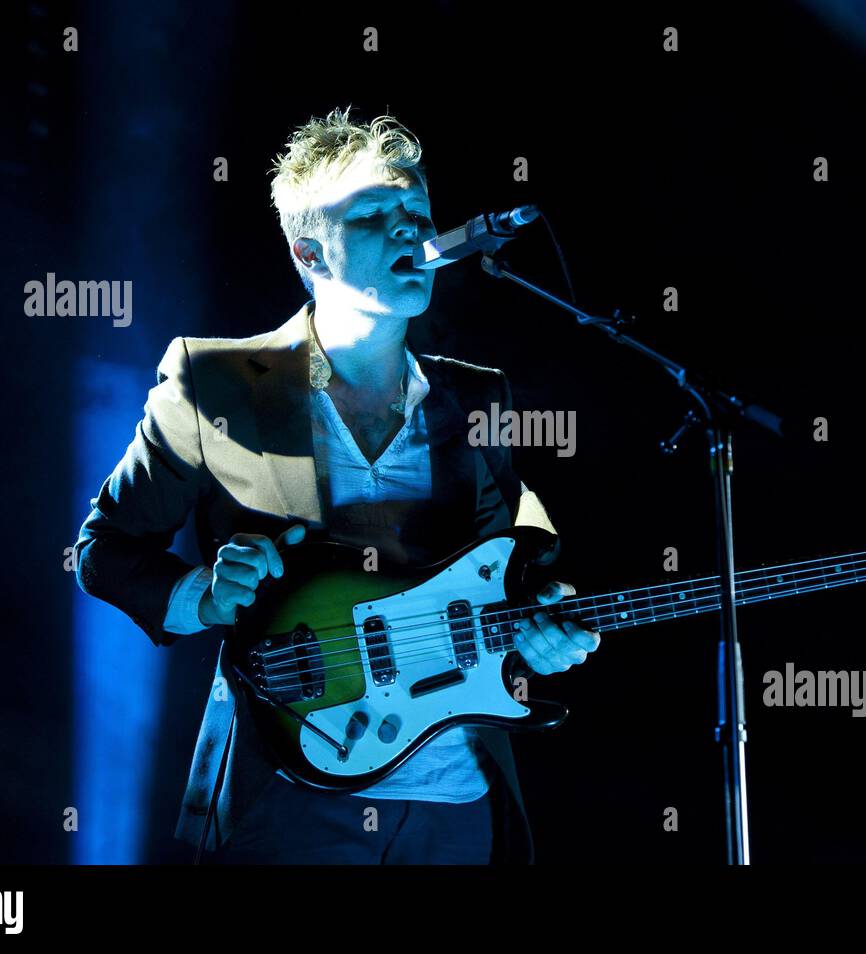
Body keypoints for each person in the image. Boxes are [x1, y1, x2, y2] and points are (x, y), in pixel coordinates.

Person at [73, 106, 599, 864]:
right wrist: (205, 596)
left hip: (457, 806)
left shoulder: (479, 399)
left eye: (415, 211)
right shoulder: (214, 382)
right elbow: (105, 548)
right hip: (289, 800)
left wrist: (544, 632)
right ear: (310, 251)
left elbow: (518, 567)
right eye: (374, 215)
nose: (408, 229)